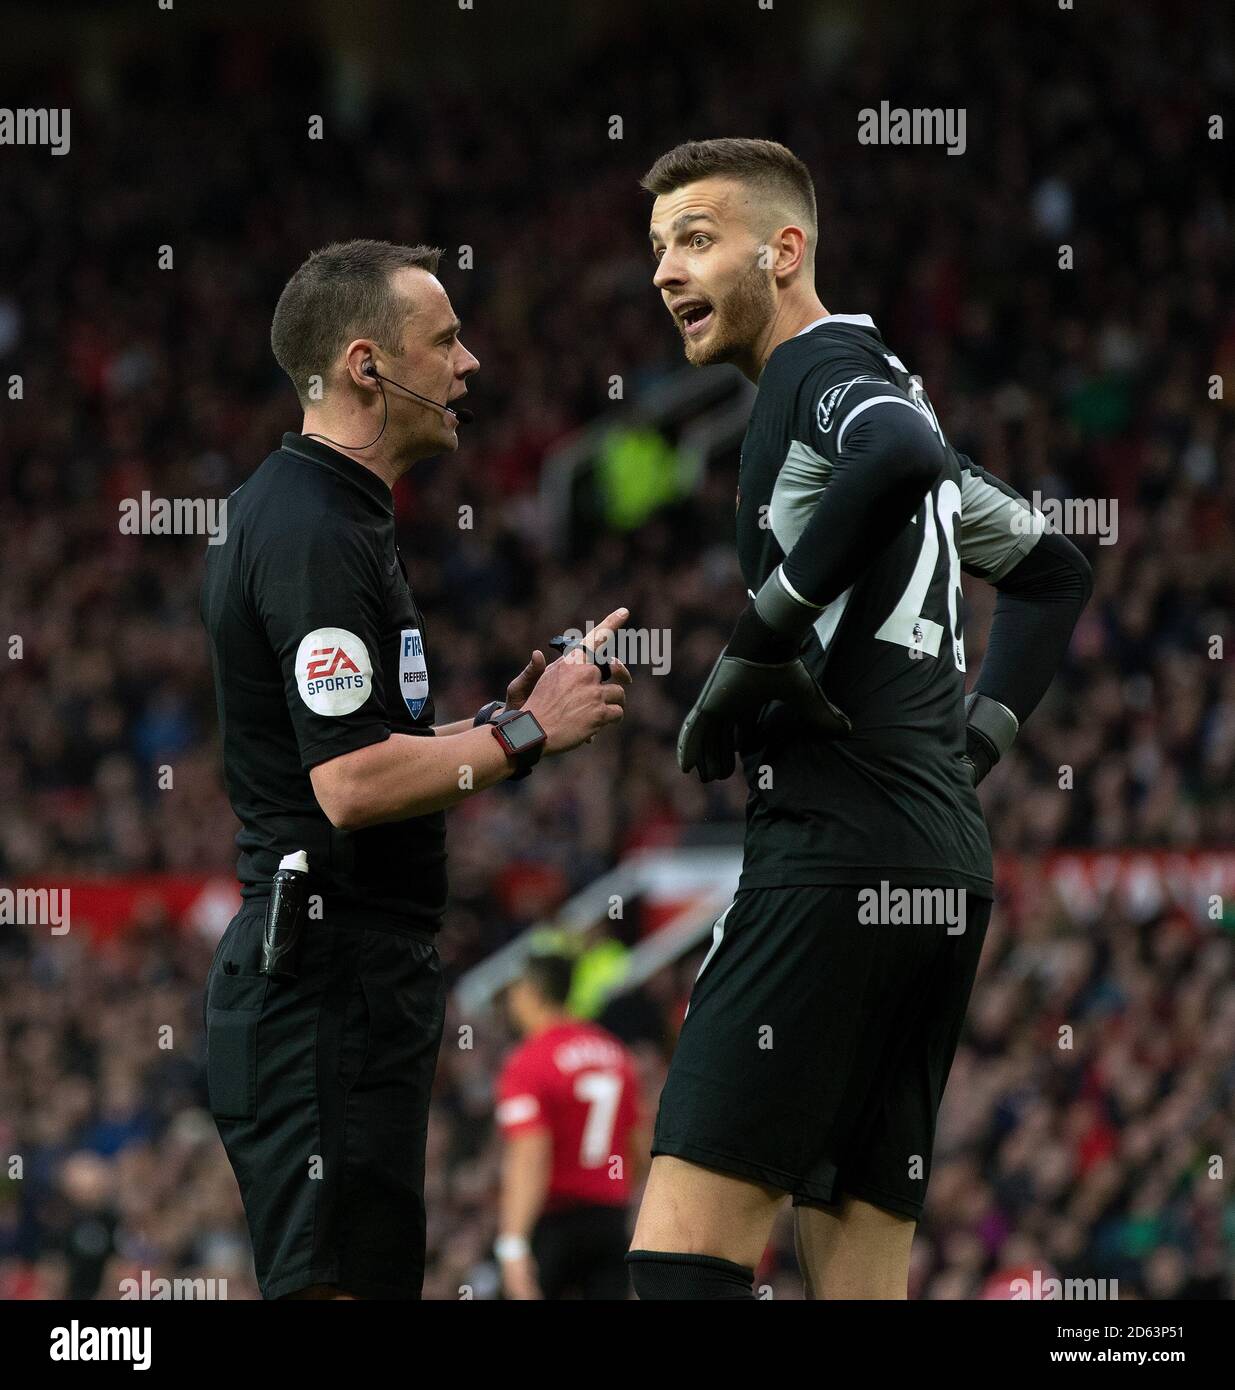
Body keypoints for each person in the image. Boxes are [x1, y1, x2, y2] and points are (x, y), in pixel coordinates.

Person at [628, 140, 1092, 1300]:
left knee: (680, 1260)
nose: (664, 272)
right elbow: (1051, 571)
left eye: (694, 239)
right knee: (858, 1278)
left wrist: (759, 636)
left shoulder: (815, 371)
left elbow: (897, 451)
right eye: (655, 250)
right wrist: (970, 749)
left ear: (783, 252)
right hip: (937, 866)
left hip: (828, 860)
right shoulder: (881, 390)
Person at [199, 238, 630, 1300]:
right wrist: (523, 739)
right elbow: (345, 785)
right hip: (322, 980)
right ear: (363, 364)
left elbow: (359, 754)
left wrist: (503, 724)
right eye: (444, 340)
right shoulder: (312, 530)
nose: (469, 363)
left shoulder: (328, 512)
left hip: (347, 980)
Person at [494, 952, 644, 1300]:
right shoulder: (616, 1053)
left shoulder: (528, 1061)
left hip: (554, 1222)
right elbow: (638, 1144)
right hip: (609, 1220)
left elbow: (530, 1153)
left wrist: (513, 1245)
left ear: (531, 992)